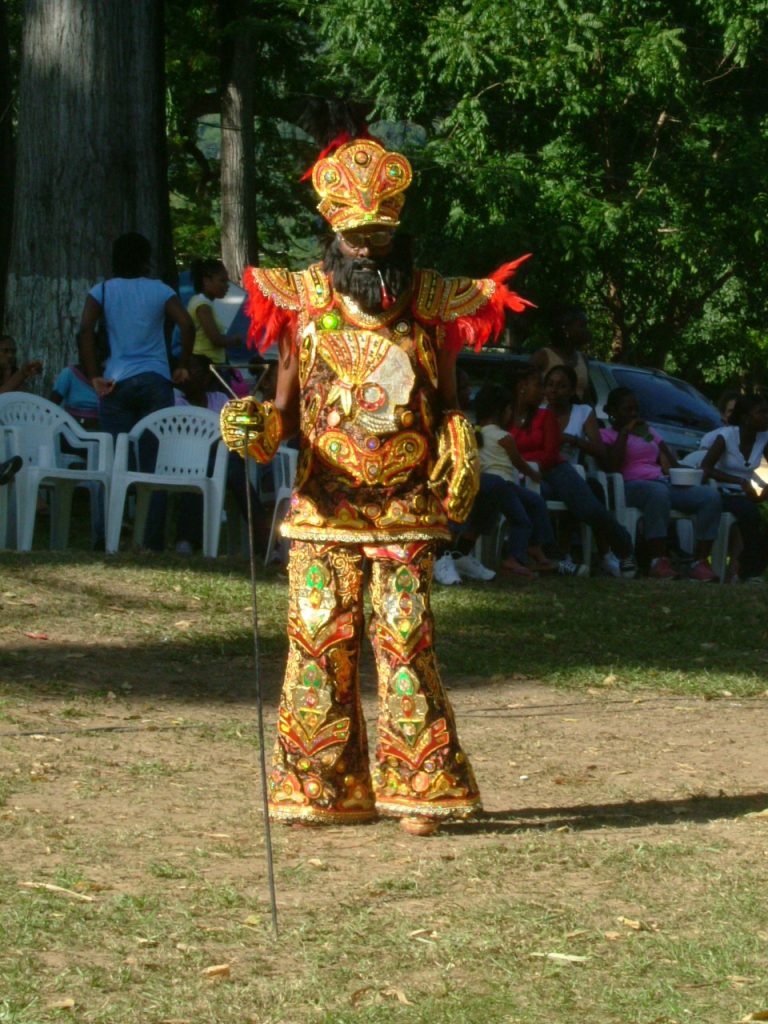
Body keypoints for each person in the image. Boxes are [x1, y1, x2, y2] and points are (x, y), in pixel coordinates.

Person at [219, 134, 533, 834]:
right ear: (333, 233)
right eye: (355, 235)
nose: (368, 246)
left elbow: (450, 400)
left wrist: (460, 440)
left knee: (405, 643)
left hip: (405, 509)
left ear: (398, 230)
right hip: (324, 508)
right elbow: (286, 417)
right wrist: (253, 431)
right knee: (319, 645)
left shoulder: (430, 304)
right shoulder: (299, 301)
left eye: (380, 233)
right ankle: (321, 788)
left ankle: (421, 789)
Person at [78, 233, 194, 551]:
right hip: (155, 380)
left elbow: (85, 329)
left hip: (115, 381)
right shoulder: (160, 290)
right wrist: (181, 365)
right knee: (154, 465)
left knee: (113, 460)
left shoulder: (102, 291)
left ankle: (106, 536)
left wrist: (93, 376)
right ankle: (151, 539)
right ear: (146, 258)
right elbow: (186, 324)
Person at [510, 365, 635, 577]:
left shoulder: (545, 416)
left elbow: (550, 453)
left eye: (557, 386)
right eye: (543, 385)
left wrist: (527, 464)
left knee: (588, 508)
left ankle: (623, 547)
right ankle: (555, 558)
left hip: (556, 470)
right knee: (538, 504)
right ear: (521, 388)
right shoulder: (510, 416)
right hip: (530, 475)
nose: (547, 391)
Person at [600, 386, 722, 581]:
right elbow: (613, 465)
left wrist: (691, 473)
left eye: (636, 409)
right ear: (612, 412)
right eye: (627, 410)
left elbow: (669, 460)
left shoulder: (646, 432)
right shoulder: (606, 435)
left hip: (661, 482)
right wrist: (624, 433)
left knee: (710, 497)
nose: (634, 414)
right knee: (657, 493)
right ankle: (658, 560)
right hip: (631, 486)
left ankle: (699, 561)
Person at [700, 393, 768, 582]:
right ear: (746, 418)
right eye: (761, 412)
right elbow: (706, 467)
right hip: (721, 492)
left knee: (758, 515)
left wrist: (762, 491)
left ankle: (749, 569)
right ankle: (748, 572)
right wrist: (737, 481)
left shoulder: (763, 438)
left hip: (745, 494)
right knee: (750, 513)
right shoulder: (726, 436)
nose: (766, 416)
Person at [187, 258, 244, 363]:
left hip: (213, 363)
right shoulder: (202, 305)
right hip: (205, 365)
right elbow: (216, 339)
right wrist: (236, 339)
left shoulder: (206, 303)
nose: (227, 286)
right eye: (222, 281)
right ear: (206, 281)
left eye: (227, 281)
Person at [531, 305, 592, 402]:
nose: (586, 331)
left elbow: (586, 397)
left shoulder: (583, 359)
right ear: (566, 329)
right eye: (582, 326)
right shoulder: (543, 356)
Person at [51, 363, 99, 428]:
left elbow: (53, 401)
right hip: (74, 422)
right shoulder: (69, 373)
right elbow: (53, 403)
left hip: (97, 422)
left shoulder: (111, 376)